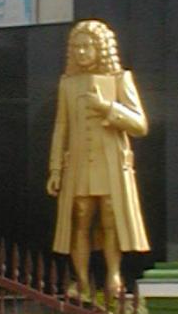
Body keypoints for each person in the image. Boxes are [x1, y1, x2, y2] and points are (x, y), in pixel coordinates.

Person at [46, 20, 149, 297]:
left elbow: (140, 124)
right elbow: (60, 127)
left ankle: (114, 276)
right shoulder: (67, 83)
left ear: (100, 48)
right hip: (79, 163)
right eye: (76, 47)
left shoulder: (119, 80)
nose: (81, 53)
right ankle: (81, 280)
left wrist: (108, 108)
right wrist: (55, 169)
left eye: (86, 47)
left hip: (111, 163)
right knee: (80, 217)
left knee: (110, 216)